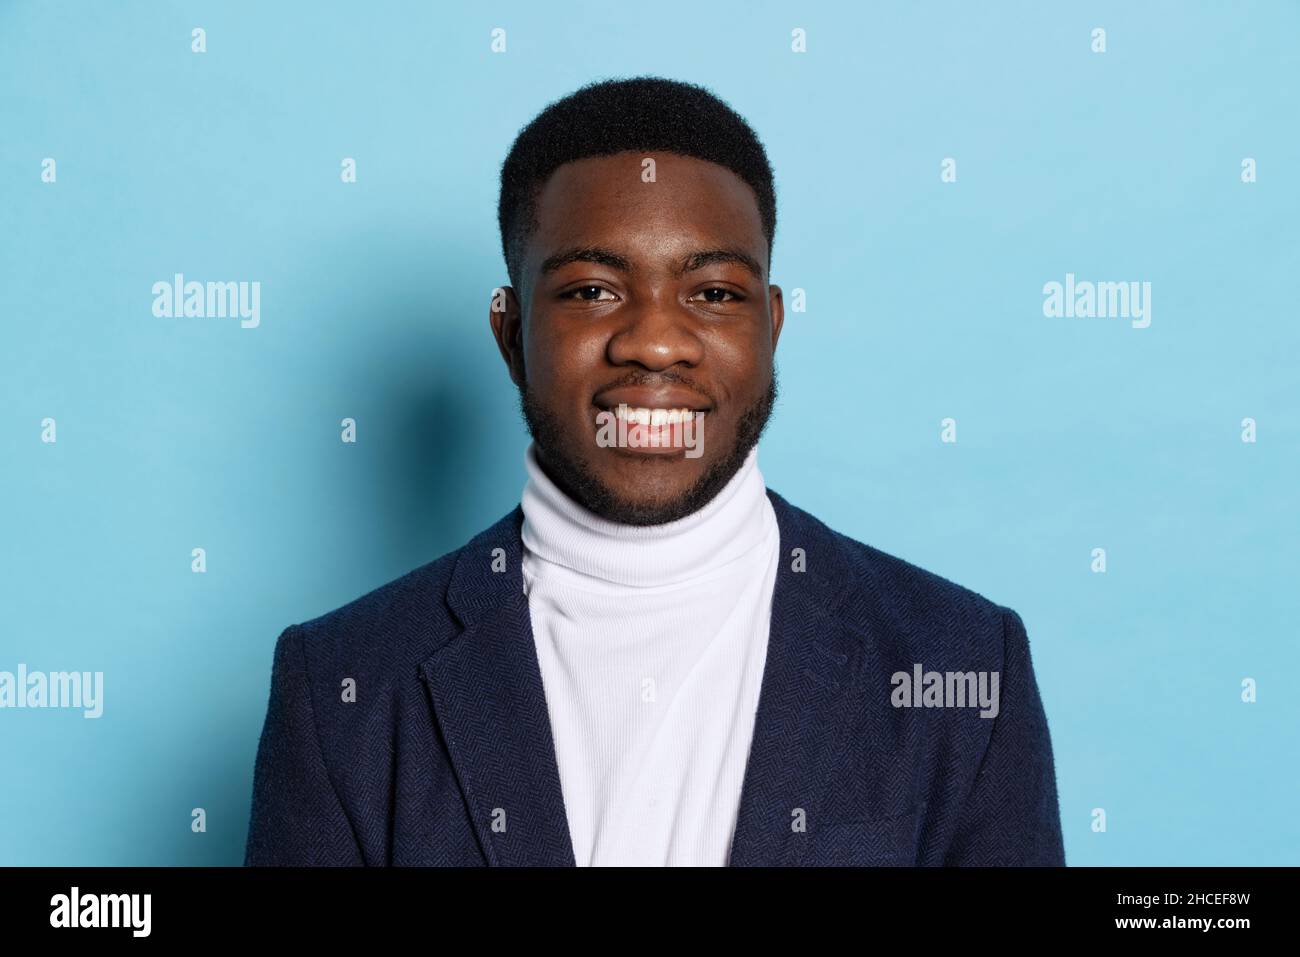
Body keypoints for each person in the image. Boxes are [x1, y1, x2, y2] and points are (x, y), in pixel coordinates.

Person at [244, 76, 1065, 867]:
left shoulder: (961, 667)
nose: (654, 341)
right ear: (510, 336)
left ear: (771, 329)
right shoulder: (341, 688)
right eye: (593, 289)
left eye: (713, 293)